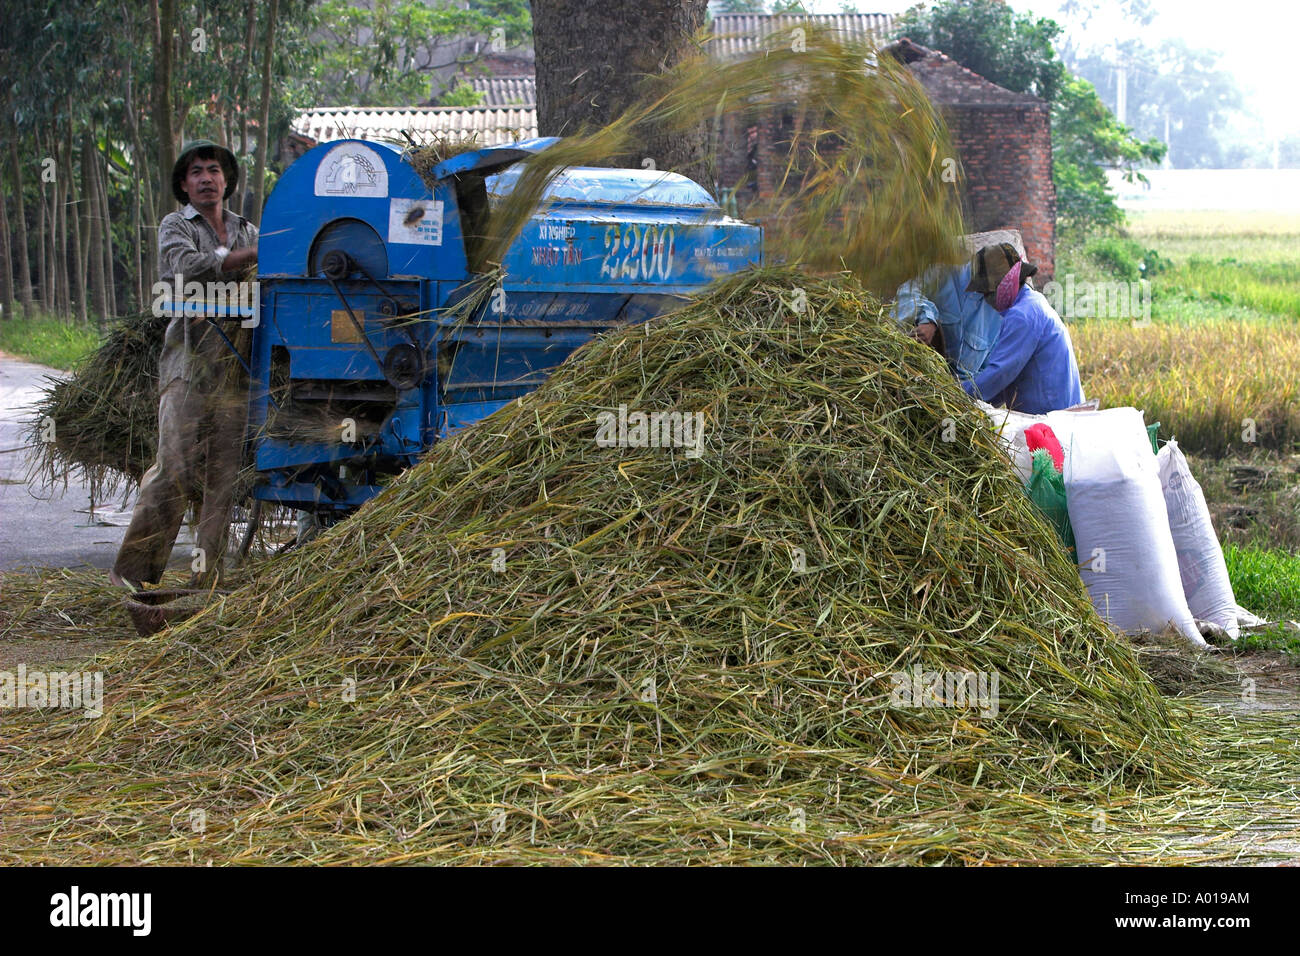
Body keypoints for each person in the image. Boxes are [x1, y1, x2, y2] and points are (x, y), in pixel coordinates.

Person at [110, 140, 259, 589]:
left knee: (223, 477)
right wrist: (249, 259)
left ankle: (203, 578)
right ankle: (132, 573)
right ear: (184, 184)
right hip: (188, 362)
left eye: (214, 170)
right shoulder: (176, 226)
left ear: (226, 180)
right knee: (174, 467)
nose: (207, 178)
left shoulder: (247, 230)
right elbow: (187, 269)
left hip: (237, 369)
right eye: (196, 172)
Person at [959, 242, 1084, 415]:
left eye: (988, 294)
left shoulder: (1023, 315)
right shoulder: (1032, 302)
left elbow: (1000, 373)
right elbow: (1006, 381)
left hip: (1052, 418)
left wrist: (956, 395)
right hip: (1058, 413)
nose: (987, 301)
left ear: (1006, 284)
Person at [894, 260, 1003, 385]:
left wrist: (961, 389)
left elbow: (986, 371)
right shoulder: (942, 274)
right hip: (902, 365)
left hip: (942, 393)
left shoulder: (997, 317)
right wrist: (927, 320)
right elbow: (907, 292)